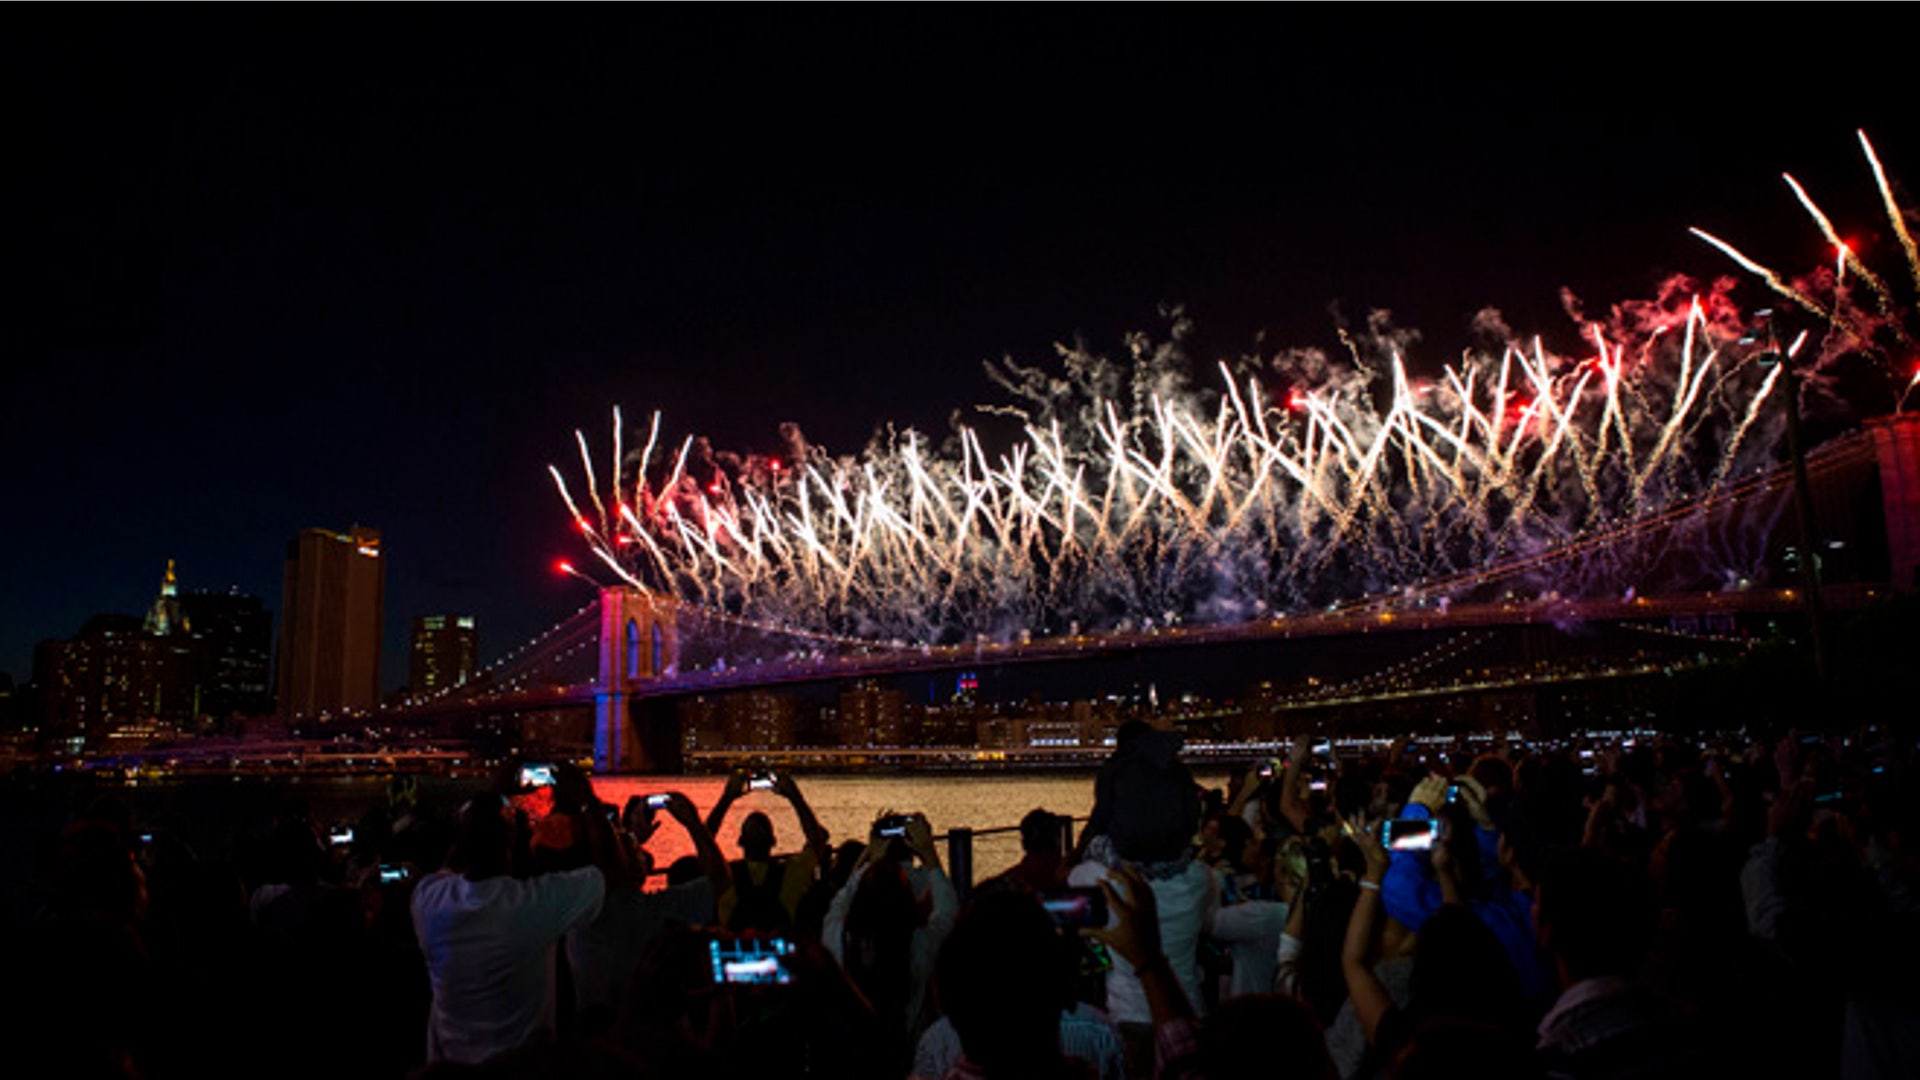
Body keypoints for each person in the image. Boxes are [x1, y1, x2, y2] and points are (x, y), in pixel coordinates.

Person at [410, 791, 608, 1065]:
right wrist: (587, 800)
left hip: (450, 1069)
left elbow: (454, 860)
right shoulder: (532, 906)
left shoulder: (428, 899)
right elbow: (604, 874)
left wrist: (485, 810)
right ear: (512, 844)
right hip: (522, 1069)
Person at [824, 810, 959, 1059]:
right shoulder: (918, 948)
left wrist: (870, 859)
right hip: (907, 1054)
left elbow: (842, 900)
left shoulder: (838, 939)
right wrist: (929, 854)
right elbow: (948, 912)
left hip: (852, 1058)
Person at [705, 769, 832, 935]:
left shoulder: (725, 875)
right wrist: (795, 797)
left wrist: (727, 798)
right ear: (773, 841)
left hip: (734, 947)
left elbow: (703, 841)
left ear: (740, 841)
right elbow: (816, 842)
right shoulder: (791, 872)